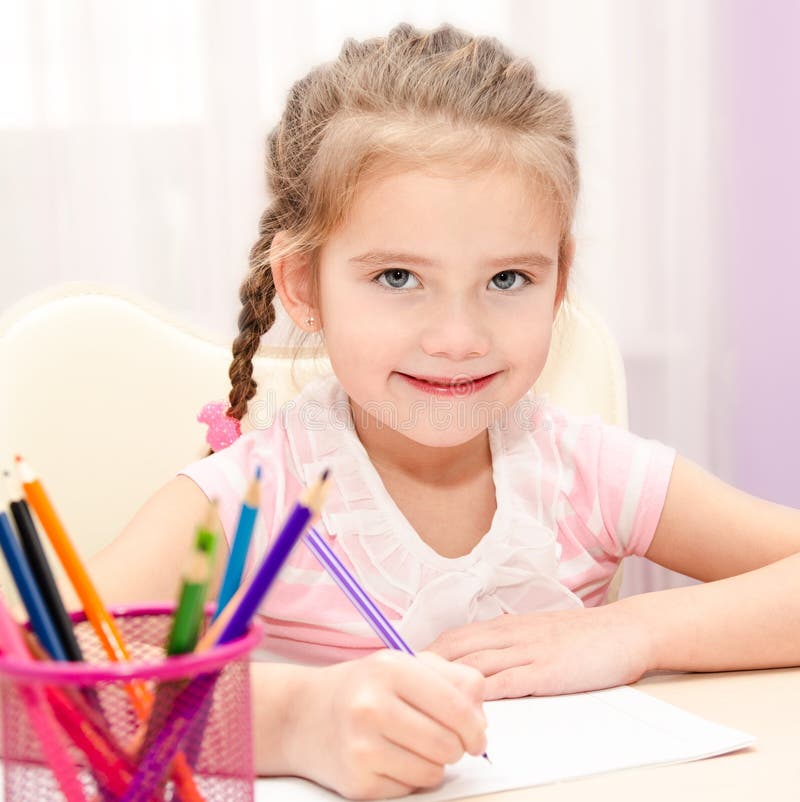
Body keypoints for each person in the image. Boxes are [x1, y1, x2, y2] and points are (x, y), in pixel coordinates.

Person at [86, 21, 800, 800]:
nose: (458, 339)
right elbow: (46, 678)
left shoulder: (587, 474)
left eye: (506, 280)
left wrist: (629, 633)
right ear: (301, 284)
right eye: (397, 277)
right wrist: (294, 722)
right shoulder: (239, 504)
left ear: (558, 282)